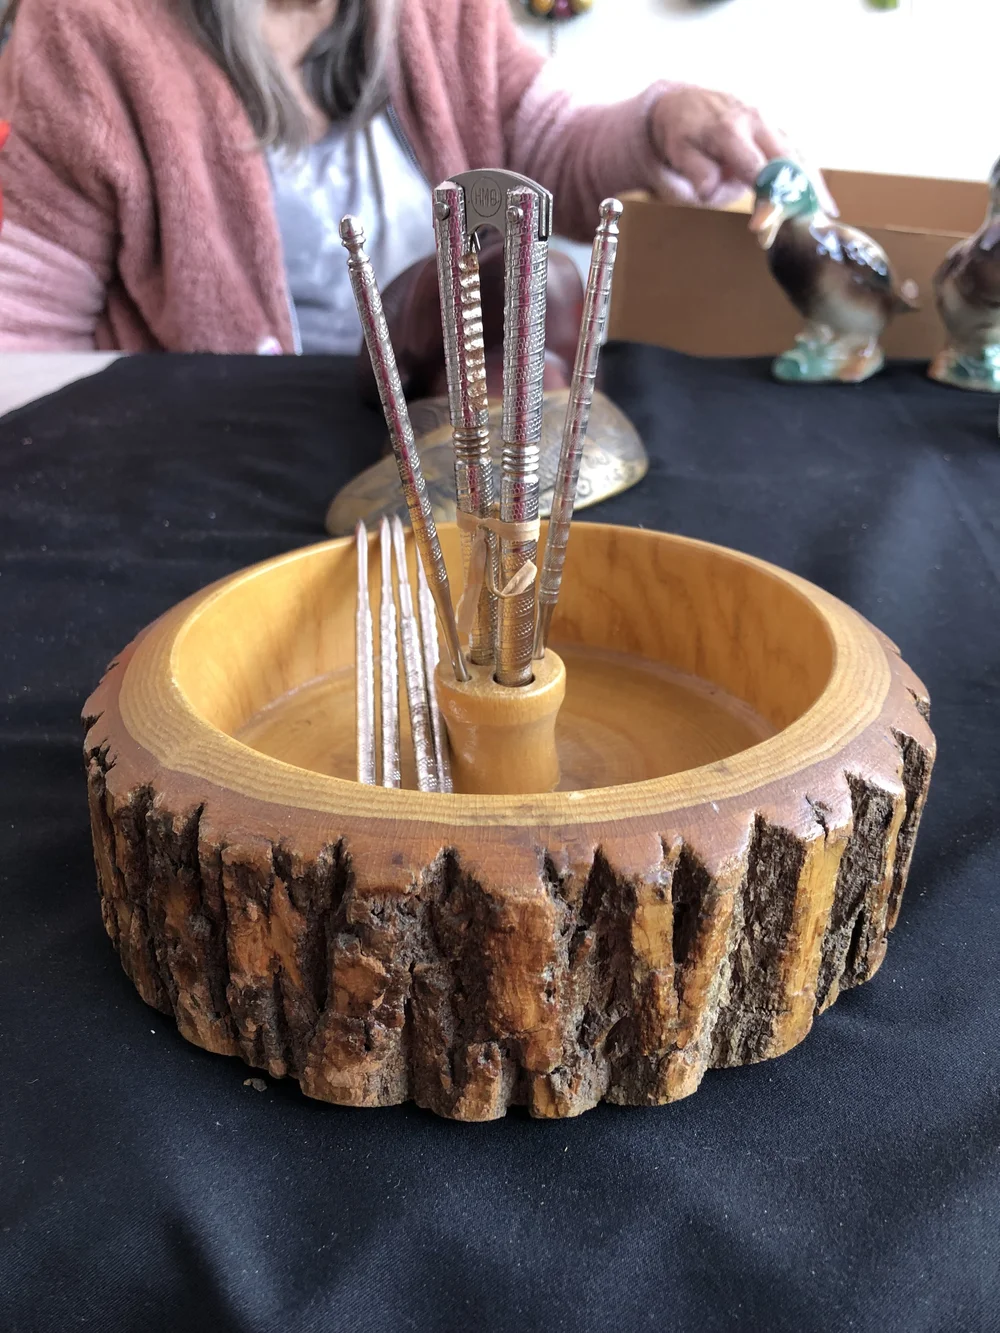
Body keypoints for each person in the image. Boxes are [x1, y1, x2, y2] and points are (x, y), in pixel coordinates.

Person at [0, 0, 819, 354]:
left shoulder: (442, 11)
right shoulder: (85, 29)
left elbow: (546, 141)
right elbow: (23, 320)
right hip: (208, 452)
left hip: (441, 440)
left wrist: (657, 123)